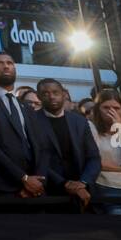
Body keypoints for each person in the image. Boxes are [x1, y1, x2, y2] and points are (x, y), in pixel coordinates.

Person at [0, 52, 61, 213]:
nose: (6, 66)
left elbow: (42, 147)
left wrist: (38, 181)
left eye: (10, 62)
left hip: (35, 189)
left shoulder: (25, 106)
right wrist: (23, 179)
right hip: (1, 188)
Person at [35, 78, 98, 212]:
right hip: (49, 192)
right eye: (45, 93)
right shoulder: (30, 120)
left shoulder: (79, 121)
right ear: (39, 96)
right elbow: (37, 159)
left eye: (55, 92)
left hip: (82, 192)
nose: (51, 96)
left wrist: (82, 183)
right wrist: (64, 184)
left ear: (63, 94)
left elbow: (94, 157)